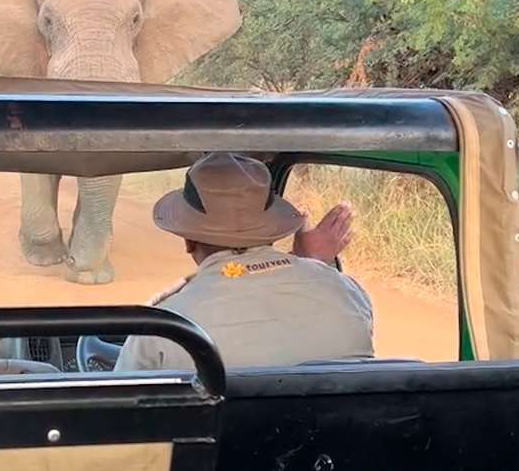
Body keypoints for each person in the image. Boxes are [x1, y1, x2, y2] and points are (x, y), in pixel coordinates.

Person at [114, 152, 375, 372]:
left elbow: (120, 413)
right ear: (273, 229)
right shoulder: (349, 293)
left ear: (188, 239)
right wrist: (313, 264)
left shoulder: (166, 324)